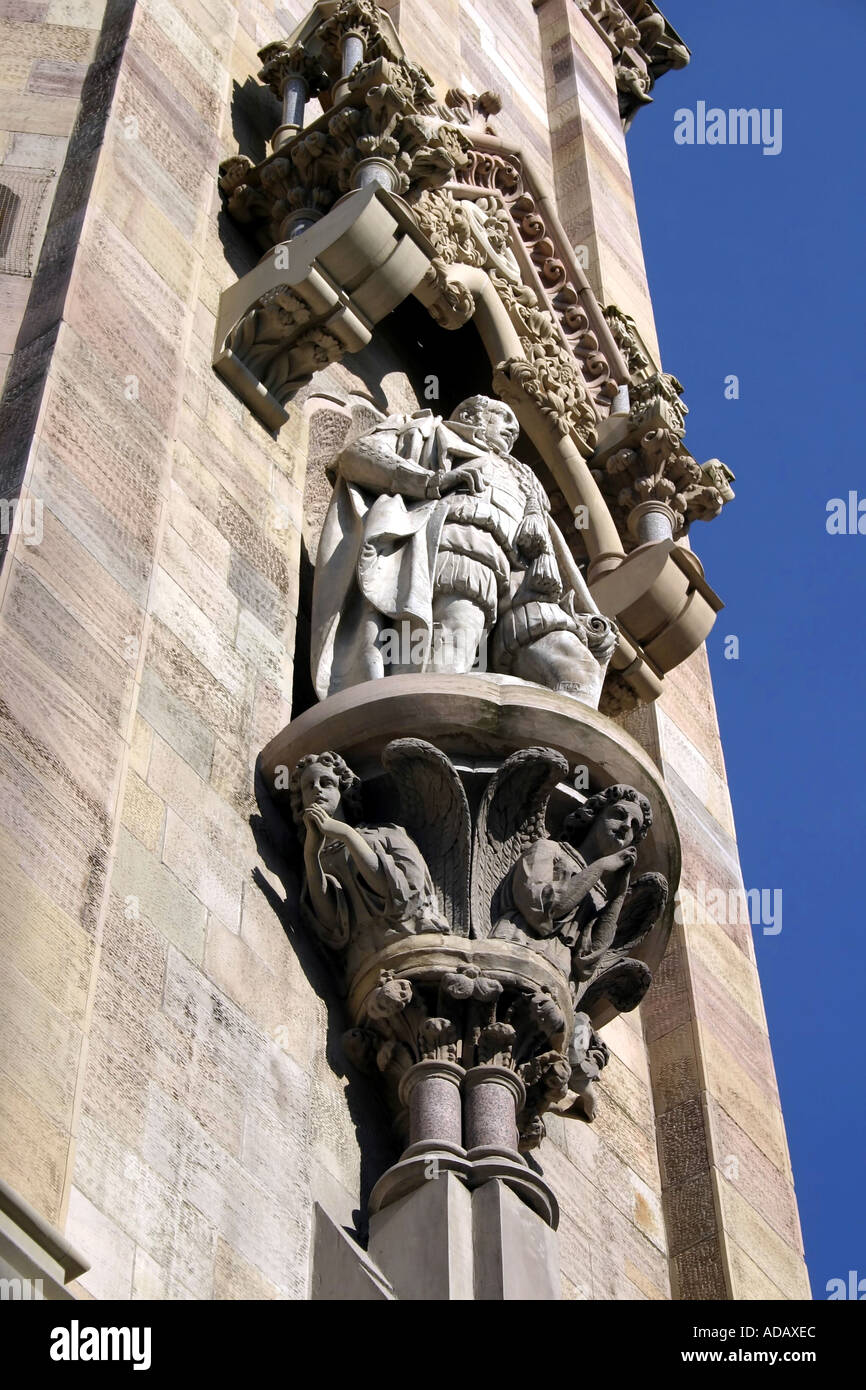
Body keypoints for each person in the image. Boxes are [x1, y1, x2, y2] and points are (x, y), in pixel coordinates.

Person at [311, 396, 615, 701]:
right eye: (503, 417)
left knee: (578, 671)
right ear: (470, 415)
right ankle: (419, 732)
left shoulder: (526, 478)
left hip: (528, 582)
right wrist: (432, 481)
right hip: (466, 547)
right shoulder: (430, 431)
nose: (514, 428)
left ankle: (534, 742)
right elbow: (359, 456)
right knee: (449, 659)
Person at [289, 751, 449, 972]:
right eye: (309, 785)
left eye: (326, 783)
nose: (317, 788)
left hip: (412, 944)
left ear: (342, 790)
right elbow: (331, 924)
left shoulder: (386, 834)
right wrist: (310, 857)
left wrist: (346, 834)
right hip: (363, 964)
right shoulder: (314, 855)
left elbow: (402, 893)